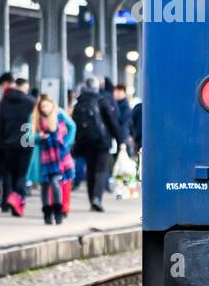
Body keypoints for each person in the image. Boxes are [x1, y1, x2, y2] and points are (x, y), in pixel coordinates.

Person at [0, 74, 35, 215]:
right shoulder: (30, 102)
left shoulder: (4, 102)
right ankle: (18, 203)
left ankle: (8, 200)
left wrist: (1, 138)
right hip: (26, 142)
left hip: (8, 143)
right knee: (22, 175)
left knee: (9, 173)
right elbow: (33, 123)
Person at [71, 76, 123, 212]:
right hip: (102, 141)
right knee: (101, 170)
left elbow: (74, 124)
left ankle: (91, 200)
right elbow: (112, 122)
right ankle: (97, 199)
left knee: (90, 171)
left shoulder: (79, 103)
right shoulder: (102, 101)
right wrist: (120, 140)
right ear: (97, 87)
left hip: (85, 143)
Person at [26, 94, 75, 225]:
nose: (45, 109)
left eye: (47, 105)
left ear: (52, 105)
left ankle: (58, 212)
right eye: (42, 106)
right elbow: (28, 139)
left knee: (55, 183)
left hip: (58, 156)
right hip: (42, 157)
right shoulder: (34, 118)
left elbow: (72, 127)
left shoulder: (60, 115)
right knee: (44, 186)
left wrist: (66, 142)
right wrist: (38, 137)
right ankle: (47, 214)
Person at [112, 84, 135, 155]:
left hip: (122, 139)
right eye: (115, 91)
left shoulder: (124, 107)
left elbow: (125, 124)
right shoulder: (115, 104)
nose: (116, 93)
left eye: (119, 91)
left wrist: (123, 141)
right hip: (118, 138)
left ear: (124, 93)